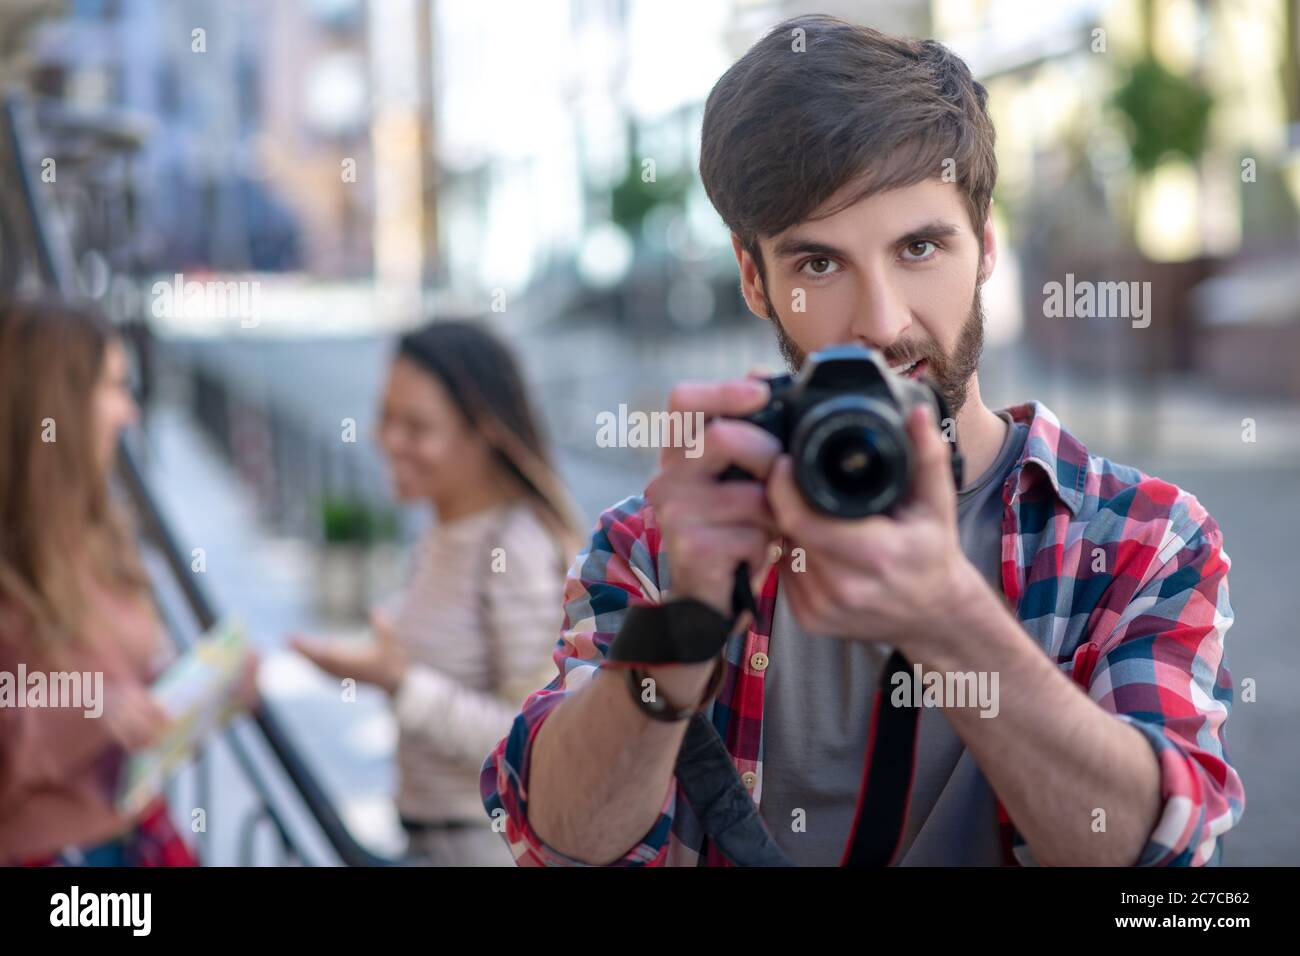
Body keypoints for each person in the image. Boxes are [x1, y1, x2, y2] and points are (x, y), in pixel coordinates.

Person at [481, 16, 1244, 867]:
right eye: (818, 266)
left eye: (920, 247)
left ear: (986, 243)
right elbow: (557, 838)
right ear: (751, 277)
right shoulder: (660, 542)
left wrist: (945, 614)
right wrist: (683, 627)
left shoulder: (1138, 538)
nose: (880, 322)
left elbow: (1160, 865)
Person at [293, 319, 582, 866]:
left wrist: (400, 684)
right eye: (385, 418)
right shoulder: (443, 527)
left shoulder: (513, 546)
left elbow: (537, 740)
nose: (389, 441)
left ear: (485, 431)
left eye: (417, 426)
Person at [0, 297, 256, 866]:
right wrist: (91, 709)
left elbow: (132, 683)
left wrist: (204, 693)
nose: (128, 412)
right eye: (113, 387)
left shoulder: (97, 529)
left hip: (132, 832)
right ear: (57, 406)